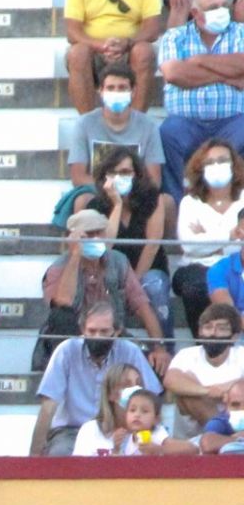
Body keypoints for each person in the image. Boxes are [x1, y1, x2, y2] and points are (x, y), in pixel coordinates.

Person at [37, 209, 168, 372]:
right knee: (61, 316)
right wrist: (75, 255)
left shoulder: (118, 261)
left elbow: (142, 305)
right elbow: (63, 303)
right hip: (77, 336)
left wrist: (159, 346)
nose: (96, 239)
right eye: (89, 234)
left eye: (99, 232)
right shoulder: (58, 268)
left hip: (112, 334)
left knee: (155, 369)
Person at [28, 301, 161, 454]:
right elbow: (48, 407)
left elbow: (151, 397)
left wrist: (153, 435)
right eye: (92, 331)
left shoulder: (130, 351)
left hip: (120, 430)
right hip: (71, 432)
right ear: (82, 330)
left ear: (117, 331)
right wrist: (34, 457)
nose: (97, 337)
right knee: (60, 455)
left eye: (104, 332)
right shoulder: (66, 351)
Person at [76, 145, 176, 335]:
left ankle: (164, 350)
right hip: (111, 270)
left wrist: (134, 283)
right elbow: (106, 245)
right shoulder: (96, 204)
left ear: (136, 174)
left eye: (125, 172)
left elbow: (152, 245)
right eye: (113, 173)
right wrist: (117, 205)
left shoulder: (152, 198)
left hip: (148, 270)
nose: (119, 177)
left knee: (154, 285)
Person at [158, 0, 244, 194]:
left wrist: (199, 60)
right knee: (168, 132)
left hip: (233, 120)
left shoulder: (241, 33)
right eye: (214, 7)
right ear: (196, 13)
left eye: (225, 5)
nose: (222, 11)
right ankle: (180, 206)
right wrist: (228, 77)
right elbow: (174, 74)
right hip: (185, 122)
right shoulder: (175, 36)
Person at [175, 140, 244, 324]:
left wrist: (207, 239)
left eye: (223, 160)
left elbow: (237, 250)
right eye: (210, 162)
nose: (217, 166)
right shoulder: (190, 202)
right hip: (196, 268)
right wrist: (229, 236)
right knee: (195, 286)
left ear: (234, 165)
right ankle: (203, 342)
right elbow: (189, 247)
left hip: (238, 266)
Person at [67, 62, 163, 190]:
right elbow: (78, 178)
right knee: (82, 199)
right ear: (100, 91)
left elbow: (155, 180)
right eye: (110, 88)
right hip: (97, 193)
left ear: (133, 91)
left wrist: (127, 191)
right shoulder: (84, 124)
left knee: (165, 201)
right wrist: (111, 188)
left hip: (135, 196)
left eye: (122, 88)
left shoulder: (149, 127)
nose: (116, 92)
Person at [163, 302, 244, 430]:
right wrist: (208, 391)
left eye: (221, 328)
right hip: (188, 442)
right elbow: (171, 380)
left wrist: (228, 388)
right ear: (200, 332)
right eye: (208, 327)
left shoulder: (240, 355)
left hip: (237, 430)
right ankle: (220, 435)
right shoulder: (187, 354)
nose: (213, 333)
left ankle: (218, 436)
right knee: (186, 389)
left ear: (235, 336)